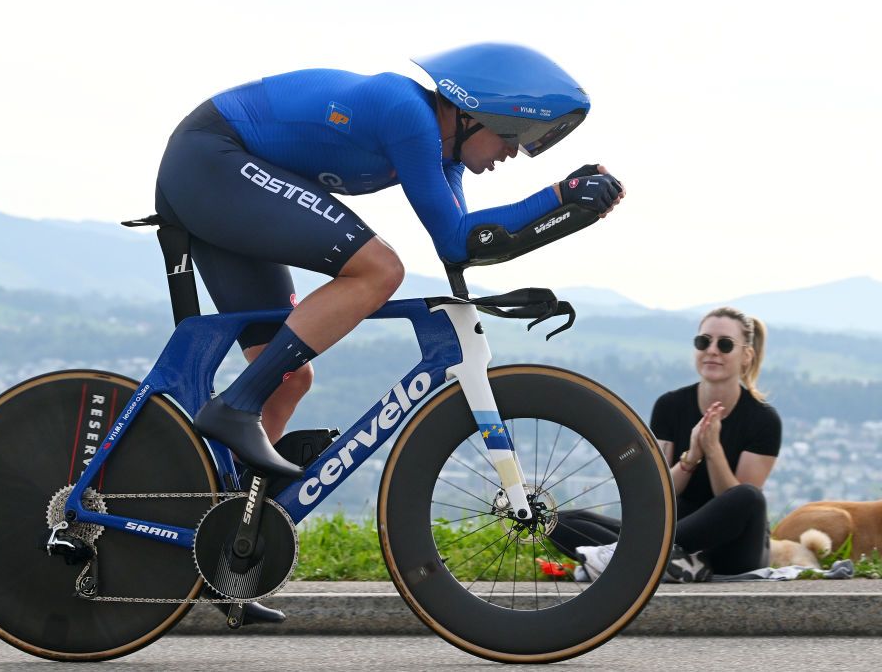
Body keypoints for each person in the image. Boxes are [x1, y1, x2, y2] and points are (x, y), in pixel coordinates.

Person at [155, 43, 625, 621]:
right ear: (478, 114)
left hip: (221, 171)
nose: (511, 156)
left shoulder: (442, 155)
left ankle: (222, 546)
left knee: (287, 380)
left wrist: (563, 208)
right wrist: (556, 198)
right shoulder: (408, 114)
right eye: (511, 139)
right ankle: (235, 408)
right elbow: (457, 239)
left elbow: (464, 243)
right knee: (380, 269)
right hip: (211, 157)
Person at [552, 307, 781, 582]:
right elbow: (657, 493)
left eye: (725, 344)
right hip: (673, 530)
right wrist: (691, 457)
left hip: (730, 550)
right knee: (561, 521)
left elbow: (736, 504)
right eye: (703, 341)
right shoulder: (670, 406)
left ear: (746, 356)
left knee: (749, 497)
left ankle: (633, 556)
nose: (712, 350)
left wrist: (713, 451)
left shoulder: (763, 419)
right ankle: (667, 560)